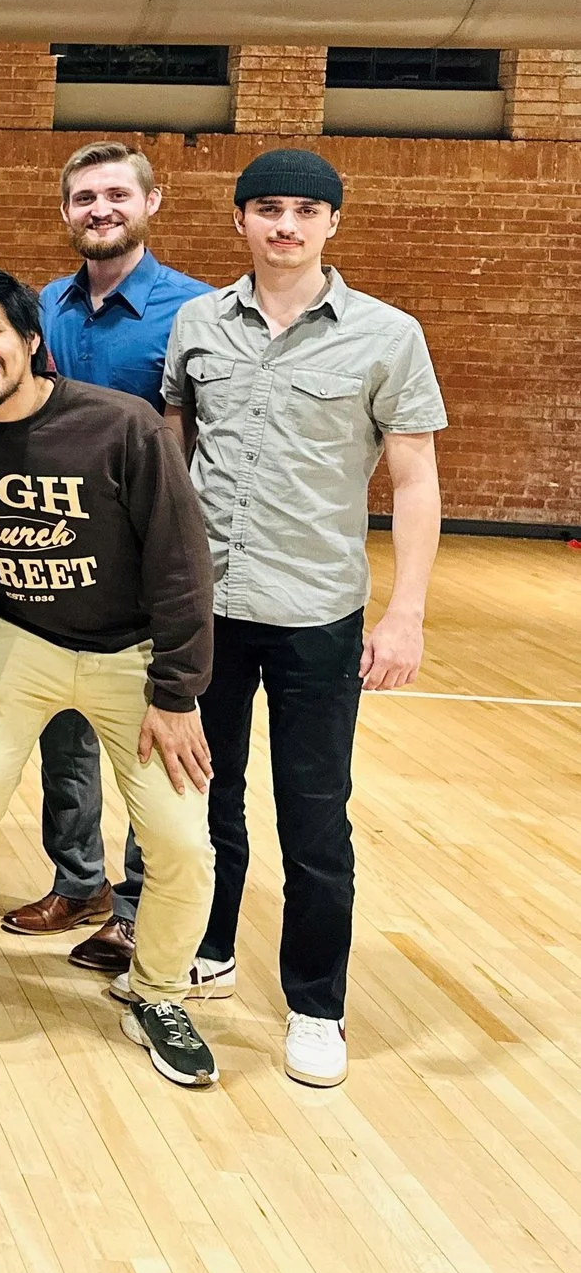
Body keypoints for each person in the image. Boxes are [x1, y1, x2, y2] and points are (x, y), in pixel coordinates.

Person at [163, 149, 446, 1088]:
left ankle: (317, 1005)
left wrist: (405, 614)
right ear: (240, 219)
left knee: (315, 817)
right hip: (208, 609)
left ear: (333, 223)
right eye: (269, 208)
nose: (286, 225)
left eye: (305, 210)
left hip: (316, 610)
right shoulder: (199, 323)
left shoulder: (388, 335)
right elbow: (177, 453)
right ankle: (208, 946)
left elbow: (415, 479)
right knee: (202, 796)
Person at [0, 268, 222, 1089]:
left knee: (183, 843)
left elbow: (183, 565)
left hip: (133, 655)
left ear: (30, 339)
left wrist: (178, 692)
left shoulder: (122, 426)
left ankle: (157, 992)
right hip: (18, 636)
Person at [8, 143, 212, 977]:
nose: (101, 209)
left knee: (147, 744)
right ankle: (79, 881)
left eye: (117, 194)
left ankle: (135, 909)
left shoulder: (195, 310)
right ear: (66, 211)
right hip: (61, 552)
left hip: (149, 557)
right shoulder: (42, 309)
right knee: (65, 733)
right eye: (85, 197)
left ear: (150, 202)